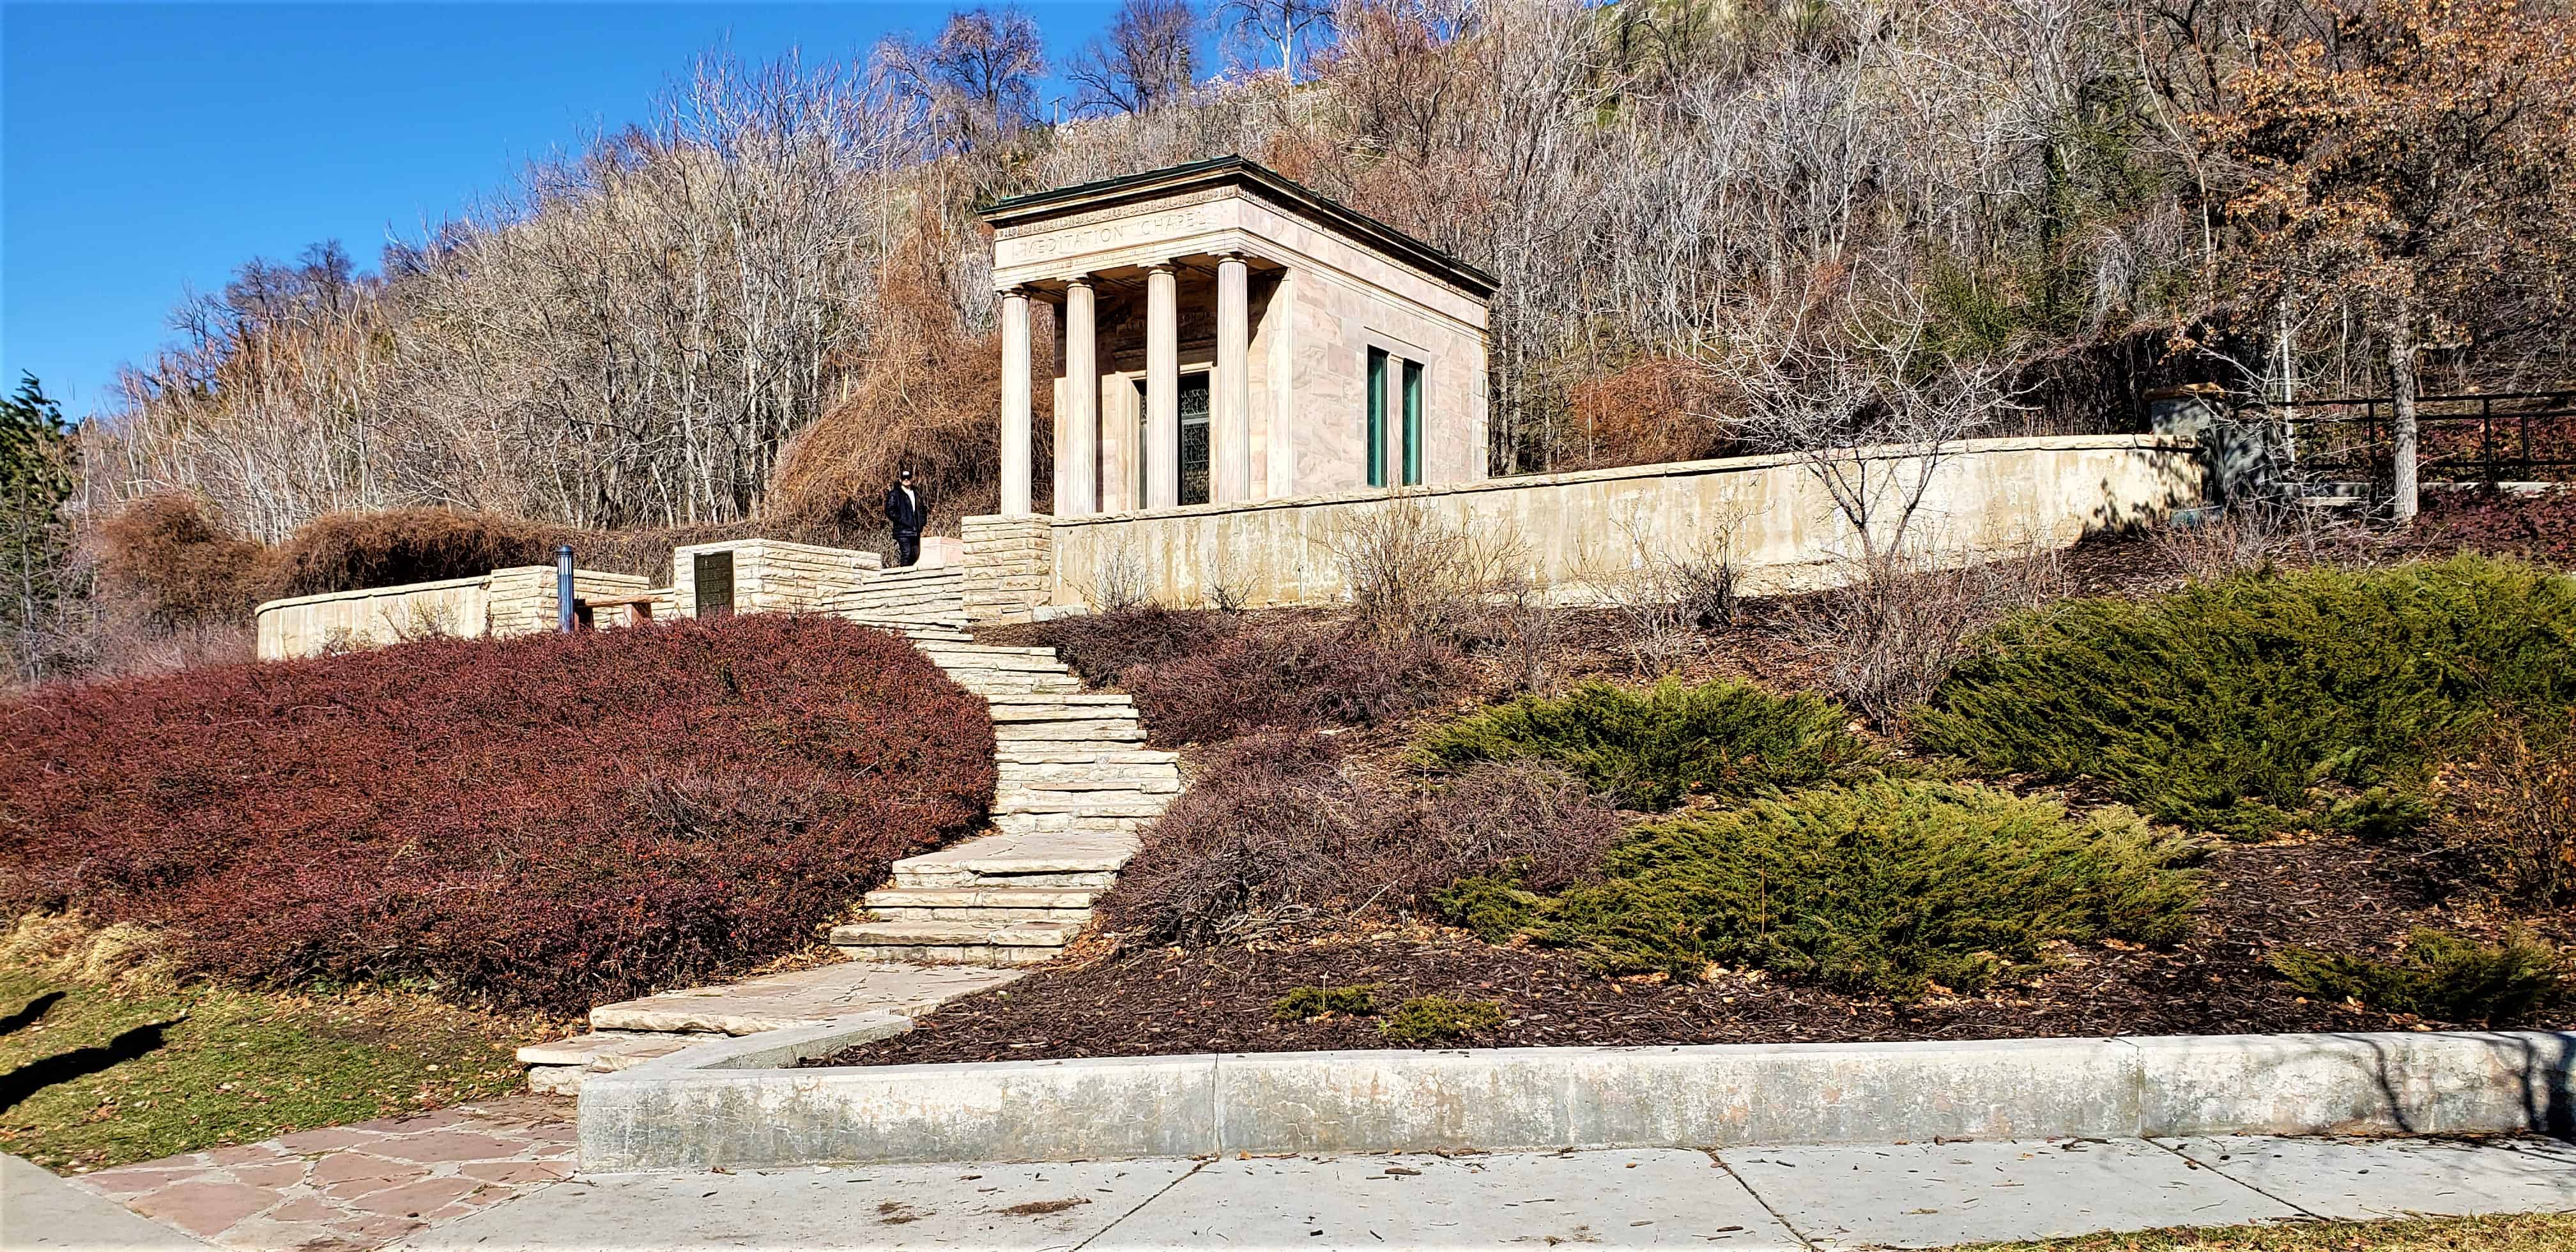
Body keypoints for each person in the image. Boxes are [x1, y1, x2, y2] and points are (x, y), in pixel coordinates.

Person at [884, 468, 928, 567]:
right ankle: (904, 574)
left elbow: (922, 510)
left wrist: (922, 522)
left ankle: (910, 574)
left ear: (912, 479)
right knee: (906, 554)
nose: (906, 480)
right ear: (900, 480)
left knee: (915, 555)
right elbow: (889, 510)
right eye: (904, 478)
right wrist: (901, 519)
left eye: (908, 477)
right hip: (902, 530)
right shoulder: (895, 494)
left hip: (915, 530)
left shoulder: (916, 493)